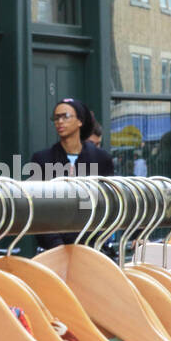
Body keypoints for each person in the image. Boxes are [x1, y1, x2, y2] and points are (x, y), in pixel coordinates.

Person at [29, 97, 114, 250]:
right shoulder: (42, 159)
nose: (60, 121)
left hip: (92, 246)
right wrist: (56, 244)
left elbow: (107, 205)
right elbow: (38, 208)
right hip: (53, 248)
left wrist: (89, 242)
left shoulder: (101, 158)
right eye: (56, 117)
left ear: (80, 121)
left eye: (65, 116)